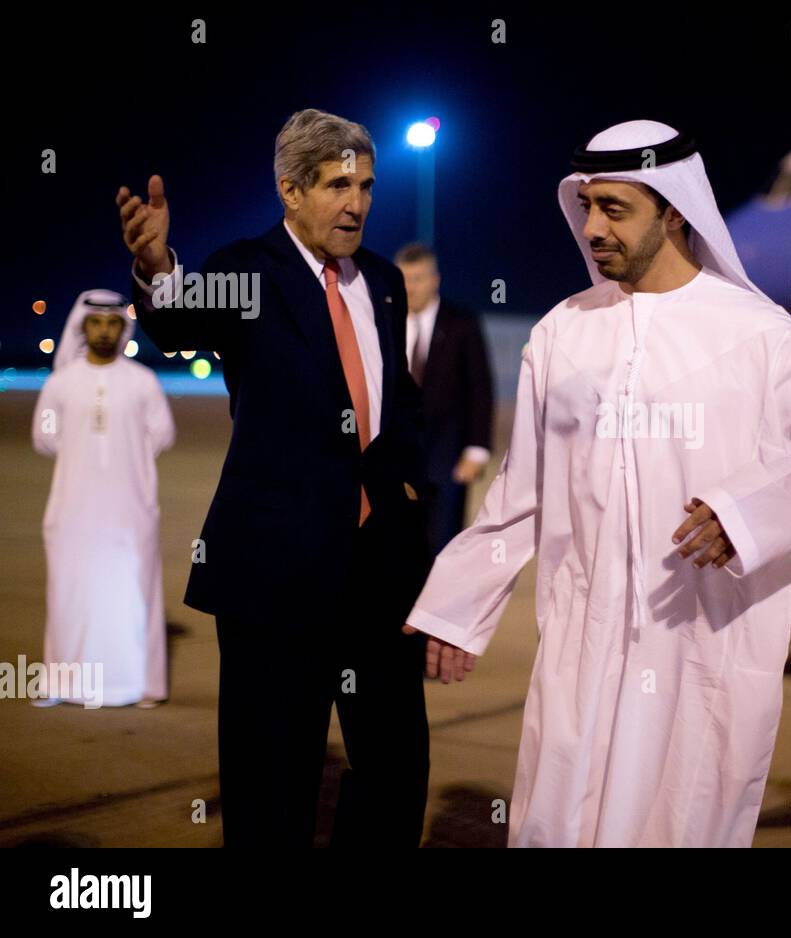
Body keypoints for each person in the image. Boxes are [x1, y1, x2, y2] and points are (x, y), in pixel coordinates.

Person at [402, 120, 791, 847]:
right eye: (586, 205)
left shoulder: (758, 333)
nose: (592, 227)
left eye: (614, 209)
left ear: (675, 211)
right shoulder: (562, 333)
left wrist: (744, 514)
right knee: (558, 818)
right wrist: (458, 601)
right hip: (580, 644)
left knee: (681, 817)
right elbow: (521, 490)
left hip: (705, 642)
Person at [116, 109, 432, 847]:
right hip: (274, 574)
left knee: (396, 765)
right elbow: (181, 323)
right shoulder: (246, 273)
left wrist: (413, 495)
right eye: (336, 185)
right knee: (271, 779)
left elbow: (401, 404)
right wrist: (159, 269)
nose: (357, 203)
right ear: (290, 190)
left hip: (377, 571)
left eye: (367, 185)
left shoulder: (383, 282)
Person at [31, 290, 175, 708]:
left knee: (132, 595)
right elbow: (44, 435)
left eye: (113, 323)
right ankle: (62, 684)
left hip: (130, 511)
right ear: (82, 326)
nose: (105, 330)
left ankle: (140, 685)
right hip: (72, 510)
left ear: (123, 328)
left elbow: (161, 433)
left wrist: (121, 459)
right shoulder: (60, 383)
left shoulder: (143, 382)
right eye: (96, 322)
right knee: (70, 592)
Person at [394, 243, 494, 556]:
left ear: (434, 279)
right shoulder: (385, 322)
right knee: (398, 546)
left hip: (447, 459)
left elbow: (480, 387)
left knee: (443, 546)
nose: (410, 287)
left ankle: (435, 606)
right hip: (396, 461)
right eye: (404, 279)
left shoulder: (462, 323)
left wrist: (476, 450)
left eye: (418, 278)